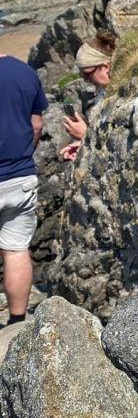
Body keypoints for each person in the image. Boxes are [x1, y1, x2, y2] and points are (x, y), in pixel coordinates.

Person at [0, 54, 48, 324]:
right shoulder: (24, 72)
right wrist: (25, 155)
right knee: (16, 249)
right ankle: (17, 322)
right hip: (19, 177)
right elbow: (37, 125)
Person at [60, 31, 115, 161]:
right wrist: (82, 145)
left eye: (87, 74)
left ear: (105, 67)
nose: (85, 80)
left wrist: (84, 135)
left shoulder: (123, 94)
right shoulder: (103, 93)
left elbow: (118, 144)